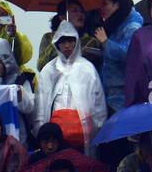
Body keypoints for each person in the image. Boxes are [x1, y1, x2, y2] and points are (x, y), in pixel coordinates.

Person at [32, 21, 107, 155]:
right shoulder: (49, 70)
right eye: (63, 42)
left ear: (76, 42)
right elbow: (40, 103)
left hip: (83, 134)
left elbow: (98, 101)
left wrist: (99, 127)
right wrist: (40, 130)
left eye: (70, 41)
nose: (67, 45)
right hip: (54, 136)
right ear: (57, 44)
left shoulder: (87, 68)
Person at [93, 0, 143, 115]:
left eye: (105, 4)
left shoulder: (132, 26)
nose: (102, 8)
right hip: (112, 93)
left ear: (116, 5)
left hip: (123, 94)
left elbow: (128, 53)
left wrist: (106, 43)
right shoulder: (117, 24)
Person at [36, 0, 102, 74]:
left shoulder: (90, 40)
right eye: (75, 11)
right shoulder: (49, 37)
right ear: (62, 17)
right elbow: (41, 65)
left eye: (82, 11)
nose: (80, 14)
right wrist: (57, 39)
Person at [0, 37, 35, 127]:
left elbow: (29, 108)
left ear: (7, 61)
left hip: (17, 130)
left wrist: (20, 96)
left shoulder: (20, 80)